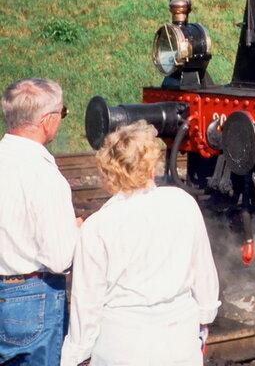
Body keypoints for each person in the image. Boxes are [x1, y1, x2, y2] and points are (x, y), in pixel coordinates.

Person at [59, 120, 219, 366]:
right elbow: (204, 271)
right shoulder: (183, 203)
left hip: (123, 346)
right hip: (179, 337)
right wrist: (205, 317)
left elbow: (87, 304)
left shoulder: (98, 227)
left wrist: (76, 356)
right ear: (150, 166)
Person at [0, 78, 79, 366]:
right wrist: (76, 232)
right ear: (47, 120)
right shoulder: (44, 176)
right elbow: (59, 259)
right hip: (31, 299)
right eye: (63, 113)